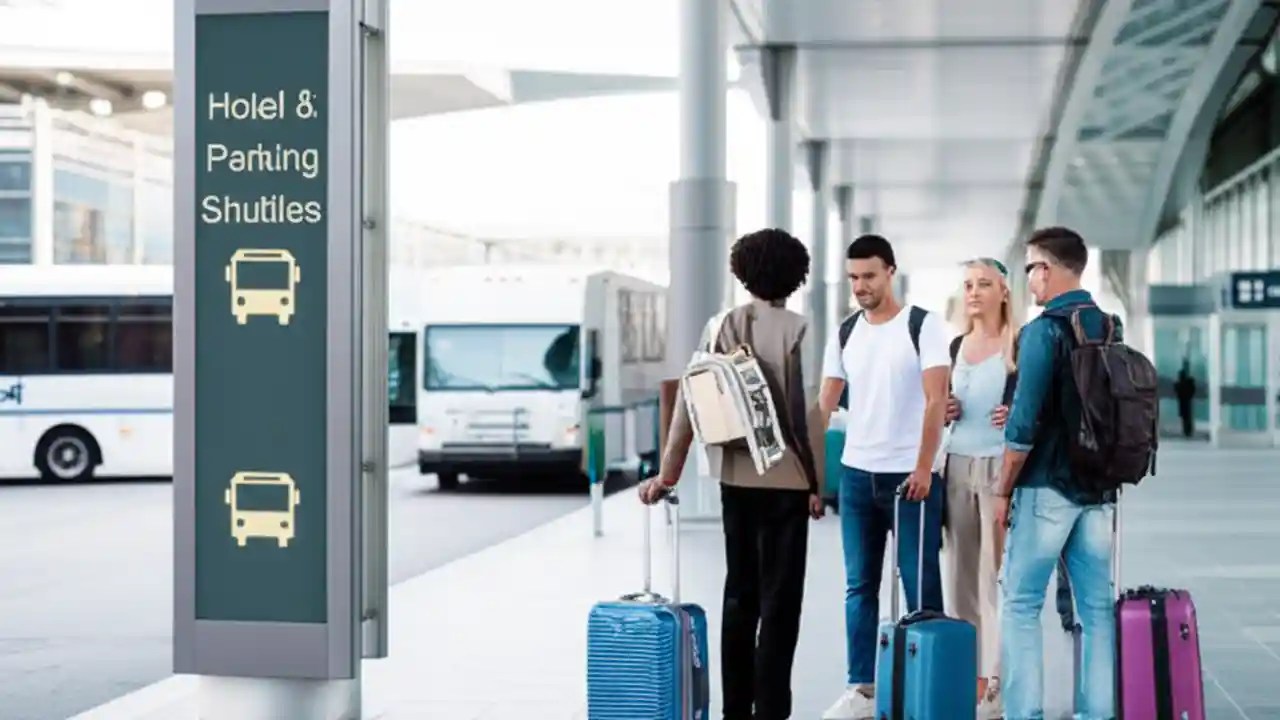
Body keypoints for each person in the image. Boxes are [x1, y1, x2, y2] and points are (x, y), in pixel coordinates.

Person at [639, 228, 824, 720]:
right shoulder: (798, 329)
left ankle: (735, 709)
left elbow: (689, 402)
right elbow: (807, 415)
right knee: (781, 601)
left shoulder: (718, 326)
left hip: (735, 477)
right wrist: (818, 483)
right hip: (786, 481)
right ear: (795, 275)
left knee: (739, 595)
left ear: (741, 273)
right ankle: (772, 710)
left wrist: (668, 474)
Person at [817, 234, 951, 720]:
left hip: (910, 477)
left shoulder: (923, 326)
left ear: (890, 272)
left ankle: (926, 682)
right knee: (859, 586)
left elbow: (936, 401)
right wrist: (814, 478)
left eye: (869, 276)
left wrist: (923, 467)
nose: (861, 286)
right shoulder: (846, 332)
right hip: (856, 475)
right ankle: (862, 687)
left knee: (921, 582)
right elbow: (824, 405)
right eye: (853, 277)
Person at [995, 226, 1119, 720]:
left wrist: (1003, 489)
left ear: (1045, 269)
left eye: (1030, 268)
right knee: (1097, 612)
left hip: (1047, 488)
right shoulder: (1110, 326)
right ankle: (1097, 713)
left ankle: (1024, 714)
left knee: (1021, 603)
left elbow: (1023, 426)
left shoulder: (1043, 330)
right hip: (1098, 488)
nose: (1029, 280)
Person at [941, 257, 1016, 719]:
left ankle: (997, 681)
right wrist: (943, 407)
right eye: (968, 284)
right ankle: (970, 677)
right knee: (960, 579)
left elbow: (1037, 405)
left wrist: (1020, 412)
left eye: (984, 284)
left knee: (994, 581)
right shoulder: (954, 345)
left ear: (1004, 292)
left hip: (996, 469)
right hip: (955, 466)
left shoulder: (1018, 346)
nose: (973, 292)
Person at [1175, 360, 1196, 438]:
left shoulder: (1179, 384)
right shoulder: (1189, 382)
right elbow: (1192, 390)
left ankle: (1186, 431)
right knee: (1188, 417)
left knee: (1185, 417)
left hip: (1183, 402)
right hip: (1187, 402)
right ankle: (1188, 431)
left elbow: (1177, 391)